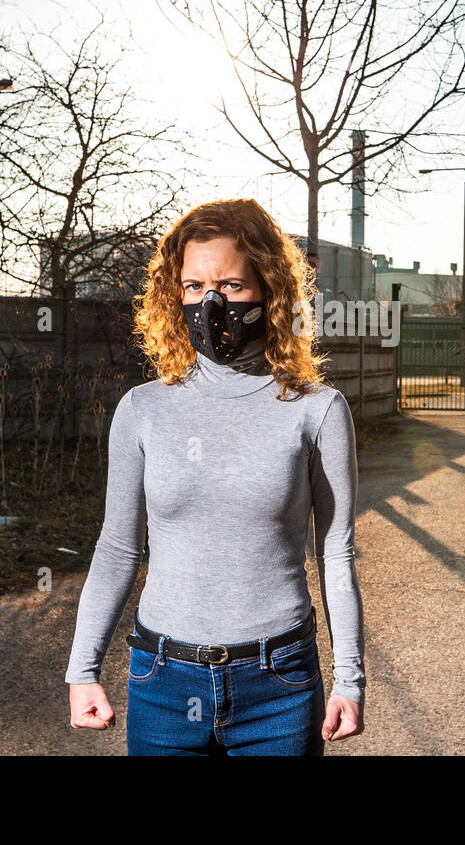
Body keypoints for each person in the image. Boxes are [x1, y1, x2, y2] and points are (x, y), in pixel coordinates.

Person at [65, 198, 365, 754]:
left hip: (279, 685)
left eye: (230, 285)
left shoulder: (316, 410)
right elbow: (117, 549)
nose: (210, 303)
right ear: (172, 295)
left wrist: (349, 679)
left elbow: (337, 554)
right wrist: (83, 668)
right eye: (194, 287)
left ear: (268, 290)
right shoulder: (143, 409)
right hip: (162, 685)